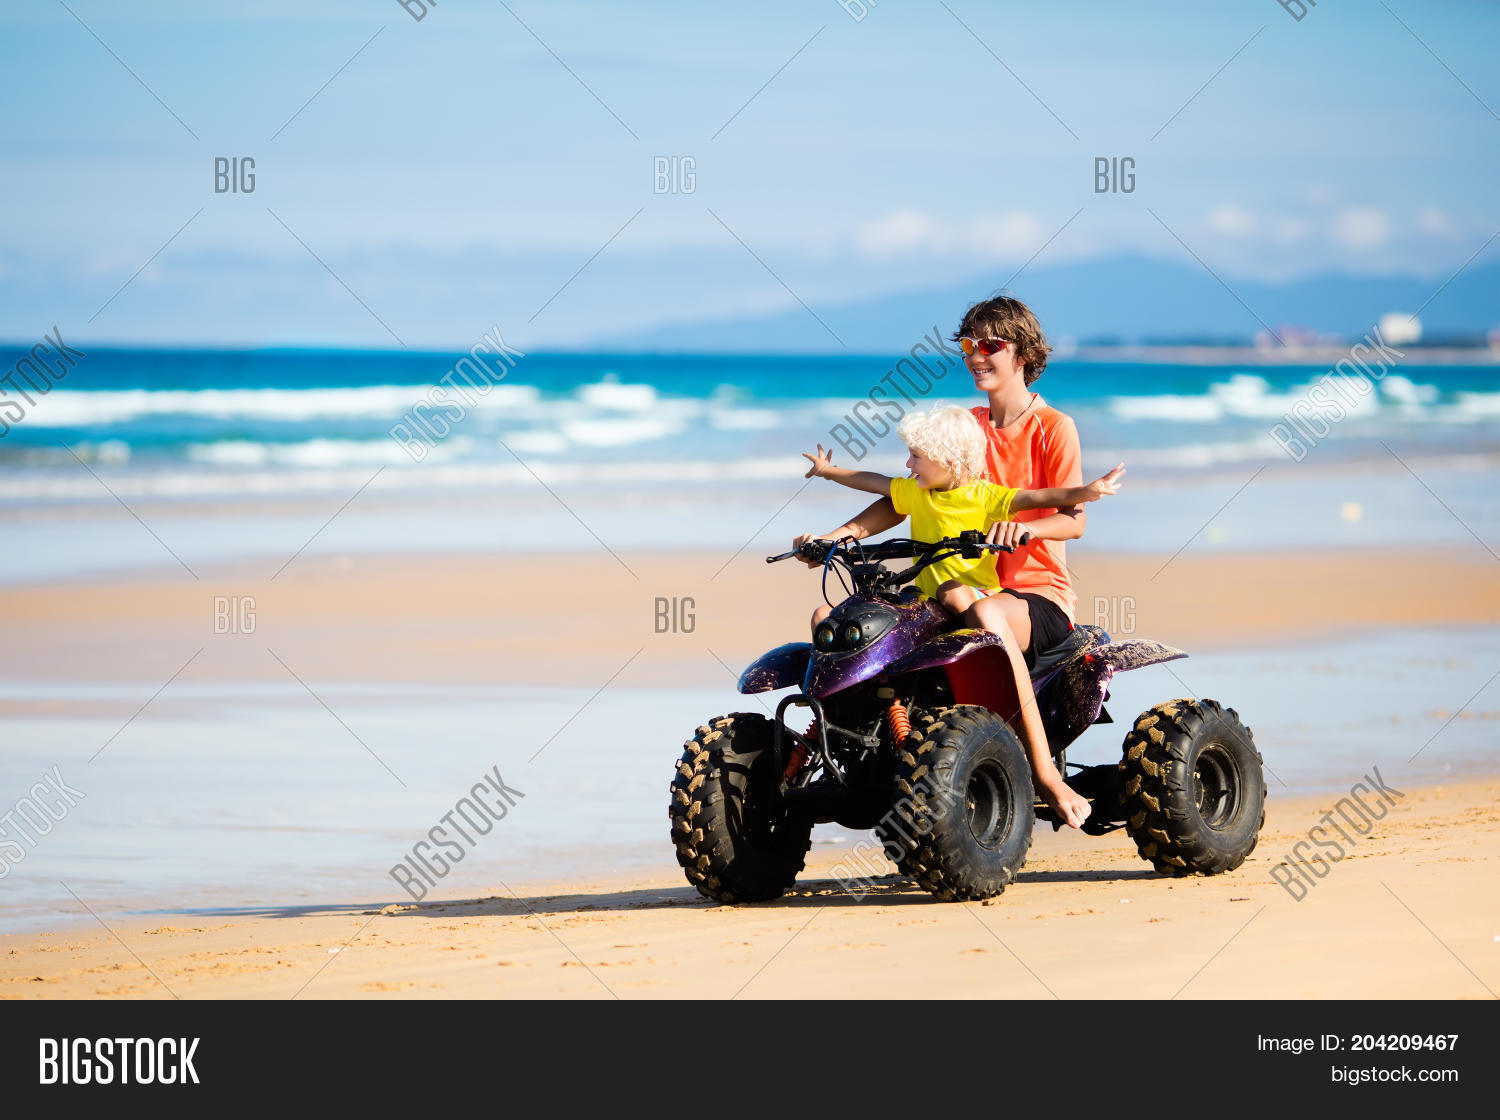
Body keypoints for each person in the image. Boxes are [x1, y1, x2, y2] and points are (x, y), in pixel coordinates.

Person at [793, 293, 1096, 825]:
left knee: (983, 614)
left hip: (1033, 593)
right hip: (953, 581)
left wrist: (1020, 534)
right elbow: (904, 496)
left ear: (1022, 352)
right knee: (853, 622)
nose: (976, 354)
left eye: (991, 344)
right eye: (968, 344)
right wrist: (835, 537)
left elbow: (1074, 518)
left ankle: (1045, 771)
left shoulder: (1054, 428)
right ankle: (849, 760)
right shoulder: (965, 426)